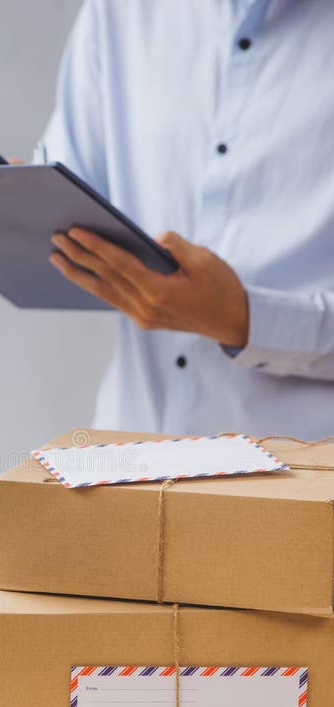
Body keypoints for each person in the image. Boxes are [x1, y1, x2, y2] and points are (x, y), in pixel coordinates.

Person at [39, 0, 334, 438]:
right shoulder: (118, 12)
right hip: (129, 459)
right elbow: (65, 194)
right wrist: (16, 204)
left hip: (302, 481)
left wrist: (246, 318)